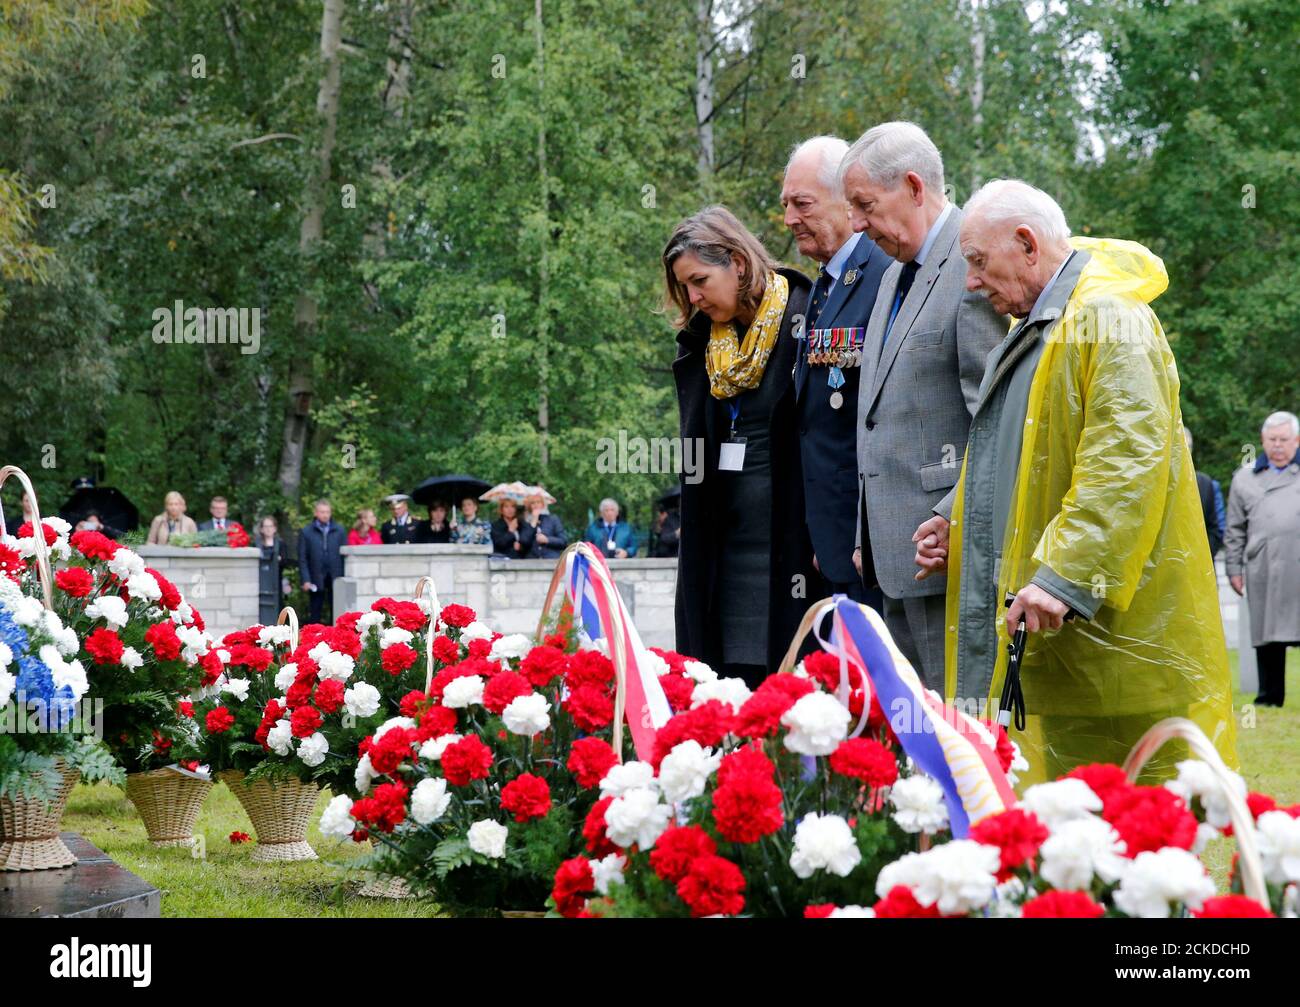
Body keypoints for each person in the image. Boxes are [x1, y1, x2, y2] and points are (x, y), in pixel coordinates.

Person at [914, 178, 1236, 782]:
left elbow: (1124, 460)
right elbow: (1020, 445)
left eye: (979, 262)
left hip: (1112, 642)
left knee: (1134, 834)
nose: (971, 282)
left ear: (1027, 244)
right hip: (1061, 639)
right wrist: (958, 518)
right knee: (1063, 831)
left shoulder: (1109, 318)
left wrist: (1065, 577)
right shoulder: (1038, 324)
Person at [841, 121, 1007, 690]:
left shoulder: (972, 265)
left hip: (949, 561)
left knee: (957, 741)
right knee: (915, 744)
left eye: (864, 205)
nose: (856, 224)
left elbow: (999, 419)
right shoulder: (892, 278)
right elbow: (881, 415)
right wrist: (867, 533)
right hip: (894, 562)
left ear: (914, 186)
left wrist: (953, 516)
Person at [664, 205, 817, 686]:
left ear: (738, 262)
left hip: (792, 554)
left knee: (794, 698)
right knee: (720, 693)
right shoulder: (703, 342)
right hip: (720, 555)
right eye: (684, 287)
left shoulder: (808, 315)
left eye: (700, 280)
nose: (693, 297)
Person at [782, 136, 892, 605]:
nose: (789, 220)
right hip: (832, 541)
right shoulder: (821, 287)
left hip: (874, 543)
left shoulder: (886, 272)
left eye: (802, 204)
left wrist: (864, 532)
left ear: (848, 204)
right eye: (785, 205)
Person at [1224, 411, 1300, 708]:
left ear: (1296, 440)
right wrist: (1233, 569)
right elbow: (1234, 530)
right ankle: (1270, 696)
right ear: (1262, 441)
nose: (1278, 445)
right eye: (1272, 440)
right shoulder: (1245, 478)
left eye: (1284, 439)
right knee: (1267, 634)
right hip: (1264, 565)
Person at [298, 499, 346, 624]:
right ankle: (313, 639)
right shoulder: (306, 531)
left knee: (337, 610)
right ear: (316, 513)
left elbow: (344, 556)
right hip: (315, 575)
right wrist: (305, 579)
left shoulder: (339, 530)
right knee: (315, 611)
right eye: (322, 512)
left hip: (335, 575)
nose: (325, 515)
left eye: (327, 512)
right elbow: (302, 558)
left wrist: (344, 576)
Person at [1184, 426, 1225, 559]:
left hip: (1200, 565)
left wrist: (1200, 557)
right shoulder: (1158, 483)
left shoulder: (1206, 484)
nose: (1185, 451)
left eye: (1188, 447)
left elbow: (1217, 529)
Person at [256, 515, 295, 626]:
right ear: (262, 529)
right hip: (261, 581)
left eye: (271, 526)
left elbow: (286, 561)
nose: (268, 529)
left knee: (278, 606)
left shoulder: (280, 544)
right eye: (266, 526)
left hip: (277, 581)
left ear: (275, 528)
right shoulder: (257, 544)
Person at [522, 491, 566, 560]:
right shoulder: (525, 521)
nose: (536, 505)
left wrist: (547, 540)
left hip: (551, 561)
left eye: (538, 502)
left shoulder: (553, 519)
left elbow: (563, 542)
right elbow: (523, 542)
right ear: (529, 506)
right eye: (533, 503)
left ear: (543, 504)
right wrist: (534, 521)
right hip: (531, 562)